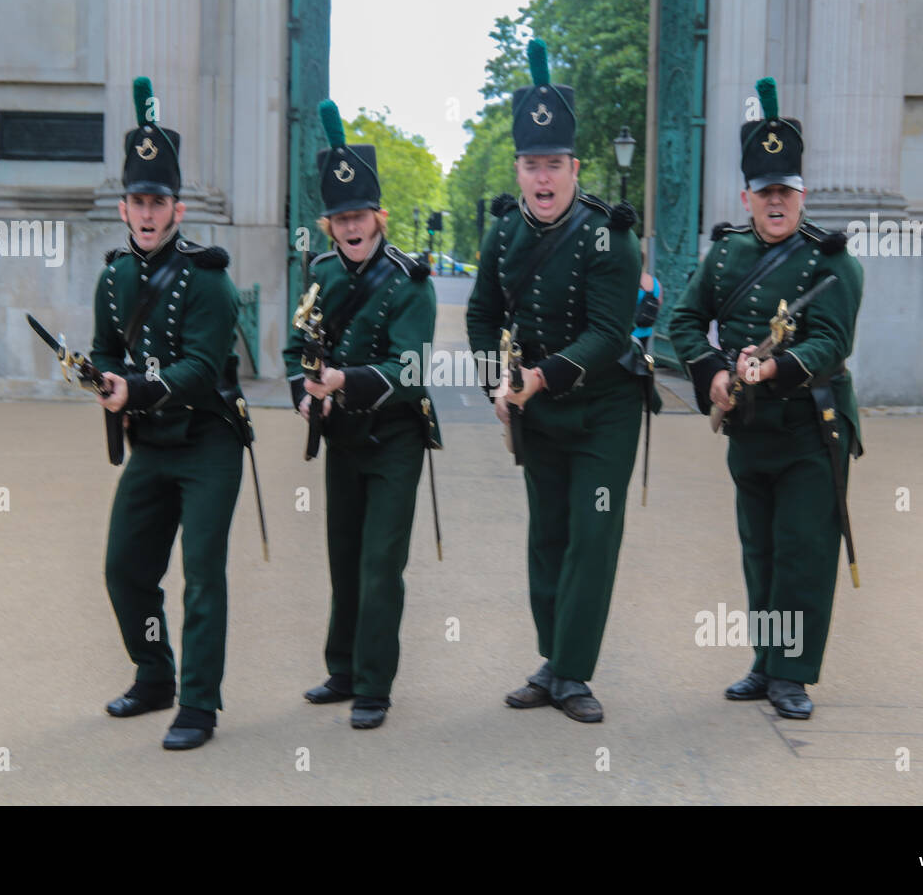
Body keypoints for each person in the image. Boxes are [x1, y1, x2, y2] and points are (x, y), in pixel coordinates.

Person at [667, 77, 864, 719]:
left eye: (787, 191)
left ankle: (793, 676)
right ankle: (765, 659)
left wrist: (773, 367)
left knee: (804, 549)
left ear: (802, 194)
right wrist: (715, 375)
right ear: (746, 196)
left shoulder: (834, 261)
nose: (776, 202)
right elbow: (685, 322)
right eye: (765, 192)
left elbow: (831, 345)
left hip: (812, 427)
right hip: (749, 427)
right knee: (761, 549)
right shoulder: (726, 254)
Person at [465, 39, 643, 724]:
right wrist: (494, 384)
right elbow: (482, 315)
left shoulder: (611, 236)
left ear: (576, 167)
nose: (543, 178)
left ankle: (572, 674)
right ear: (519, 168)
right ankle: (553, 659)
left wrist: (537, 376)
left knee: (591, 535)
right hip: (537, 409)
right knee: (547, 536)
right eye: (532, 165)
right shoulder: (502, 233)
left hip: (603, 409)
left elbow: (608, 335)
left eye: (555, 165)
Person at [89, 77, 246, 750]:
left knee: (203, 576)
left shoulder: (210, 279)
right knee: (126, 568)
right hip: (152, 444)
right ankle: (155, 676)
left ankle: (200, 706)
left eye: (158, 201)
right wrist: (98, 376)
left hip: (209, 442)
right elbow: (104, 347)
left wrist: (135, 389)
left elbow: (201, 371)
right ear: (123, 209)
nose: (147, 213)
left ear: (177, 208)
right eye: (137, 201)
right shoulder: (114, 275)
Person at [283, 99, 439, 730]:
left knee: (380, 564)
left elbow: (411, 371)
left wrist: (342, 379)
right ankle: (342, 669)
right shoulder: (318, 273)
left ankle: (375, 683)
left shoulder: (410, 281)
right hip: (343, 437)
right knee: (343, 556)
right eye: (339, 217)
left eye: (359, 214)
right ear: (329, 226)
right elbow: (298, 349)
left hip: (396, 437)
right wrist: (301, 391)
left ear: (379, 216)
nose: (350, 226)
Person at [633, 269, 662, 354]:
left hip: (630, 334)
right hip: (646, 332)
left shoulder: (630, 279)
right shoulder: (656, 283)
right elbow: (658, 307)